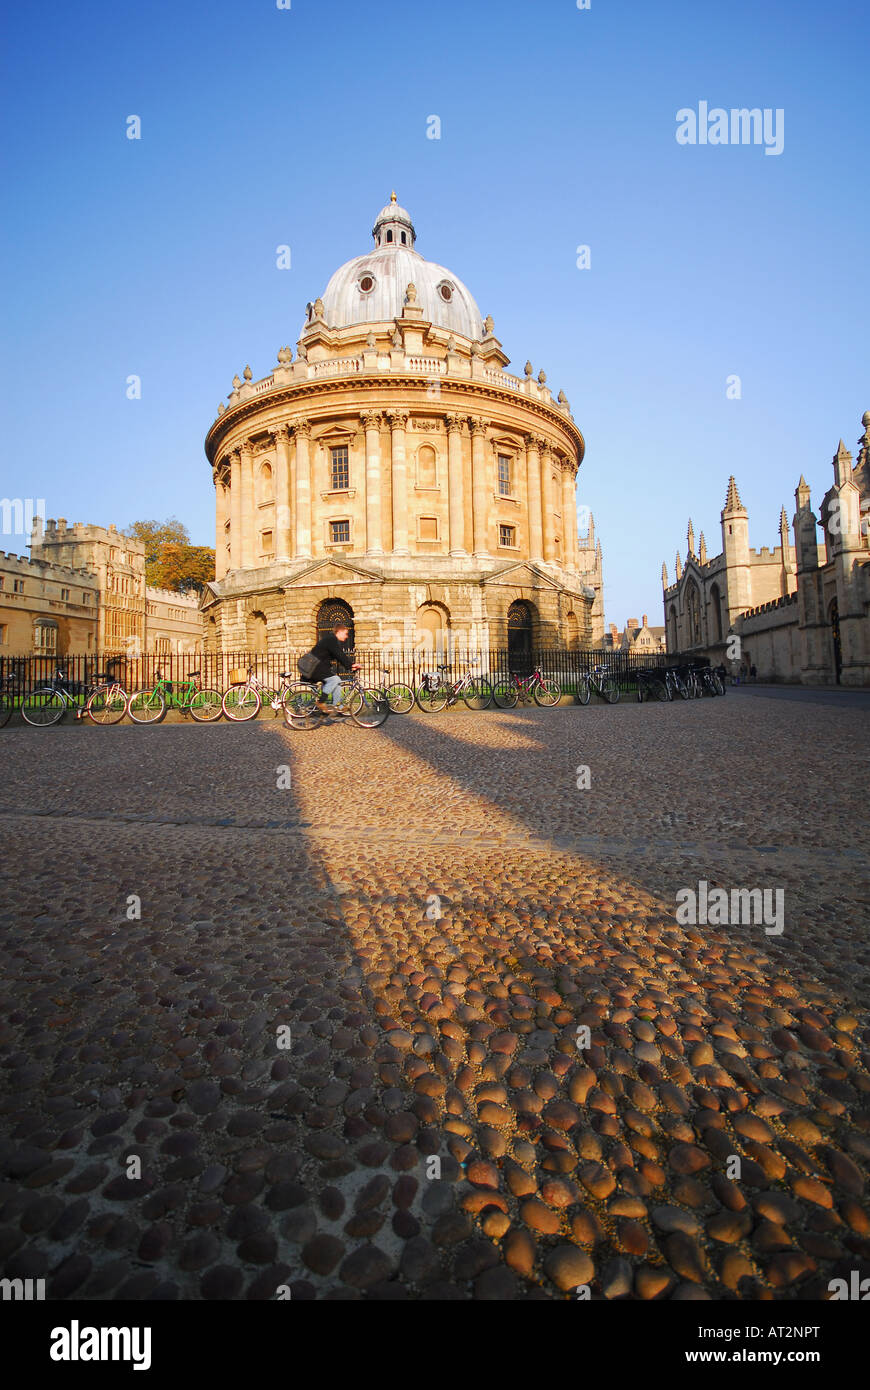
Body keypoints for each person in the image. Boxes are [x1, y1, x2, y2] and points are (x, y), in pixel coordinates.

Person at [305, 622, 360, 716]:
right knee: (335, 679)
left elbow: (338, 656)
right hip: (313, 667)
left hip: (318, 667)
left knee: (337, 681)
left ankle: (337, 706)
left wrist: (350, 666)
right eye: (345, 634)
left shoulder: (331, 640)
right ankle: (321, 702)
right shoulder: (331, 639)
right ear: (339, 631)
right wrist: (351, 665)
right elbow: (339, 654)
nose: (346, 637)